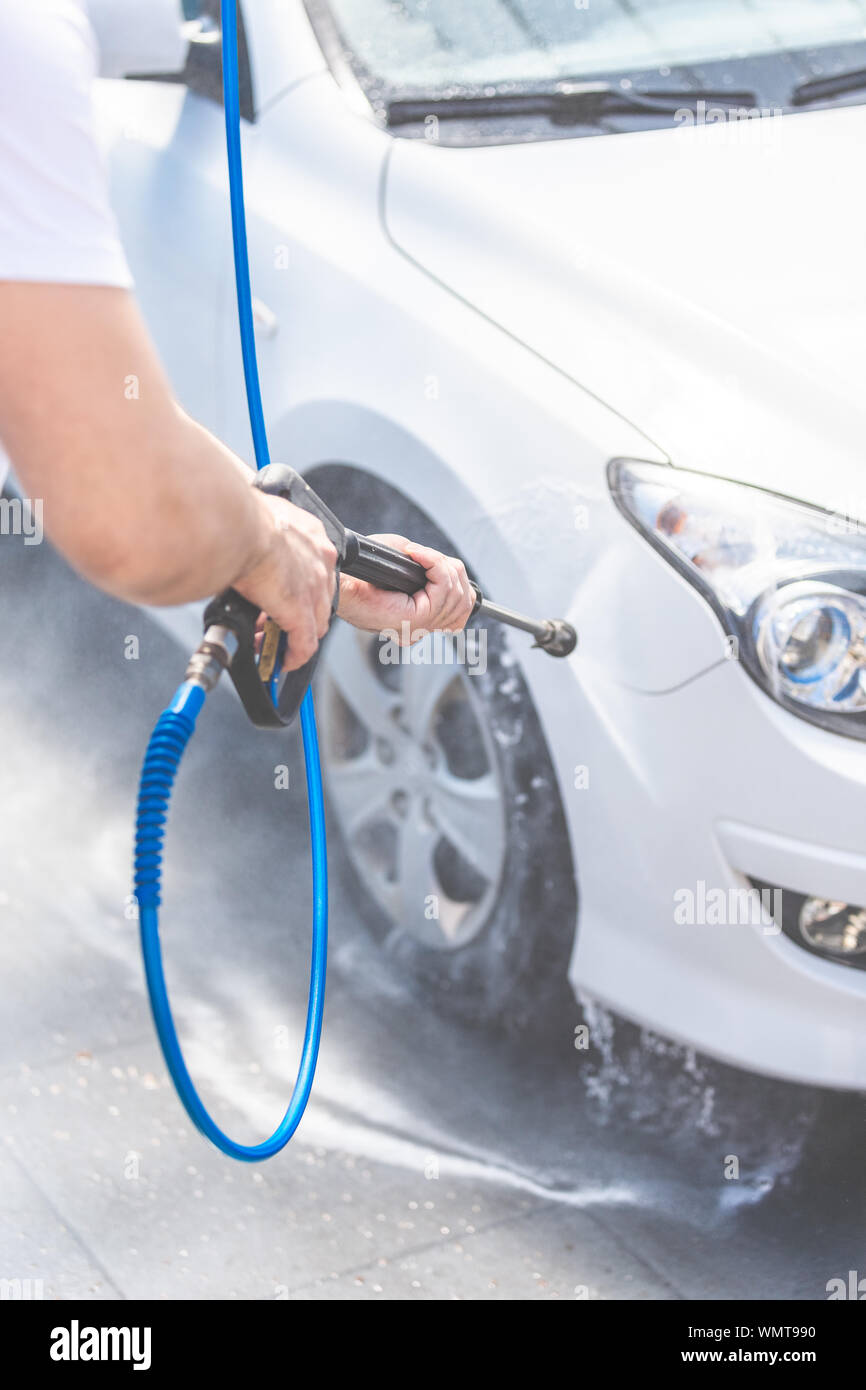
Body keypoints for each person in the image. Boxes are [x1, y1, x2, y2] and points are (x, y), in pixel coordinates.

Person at [0, 0, 475, 671]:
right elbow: (122, 506)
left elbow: (117, 426)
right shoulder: (20, 40)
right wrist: (263, 546)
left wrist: (312, 553)